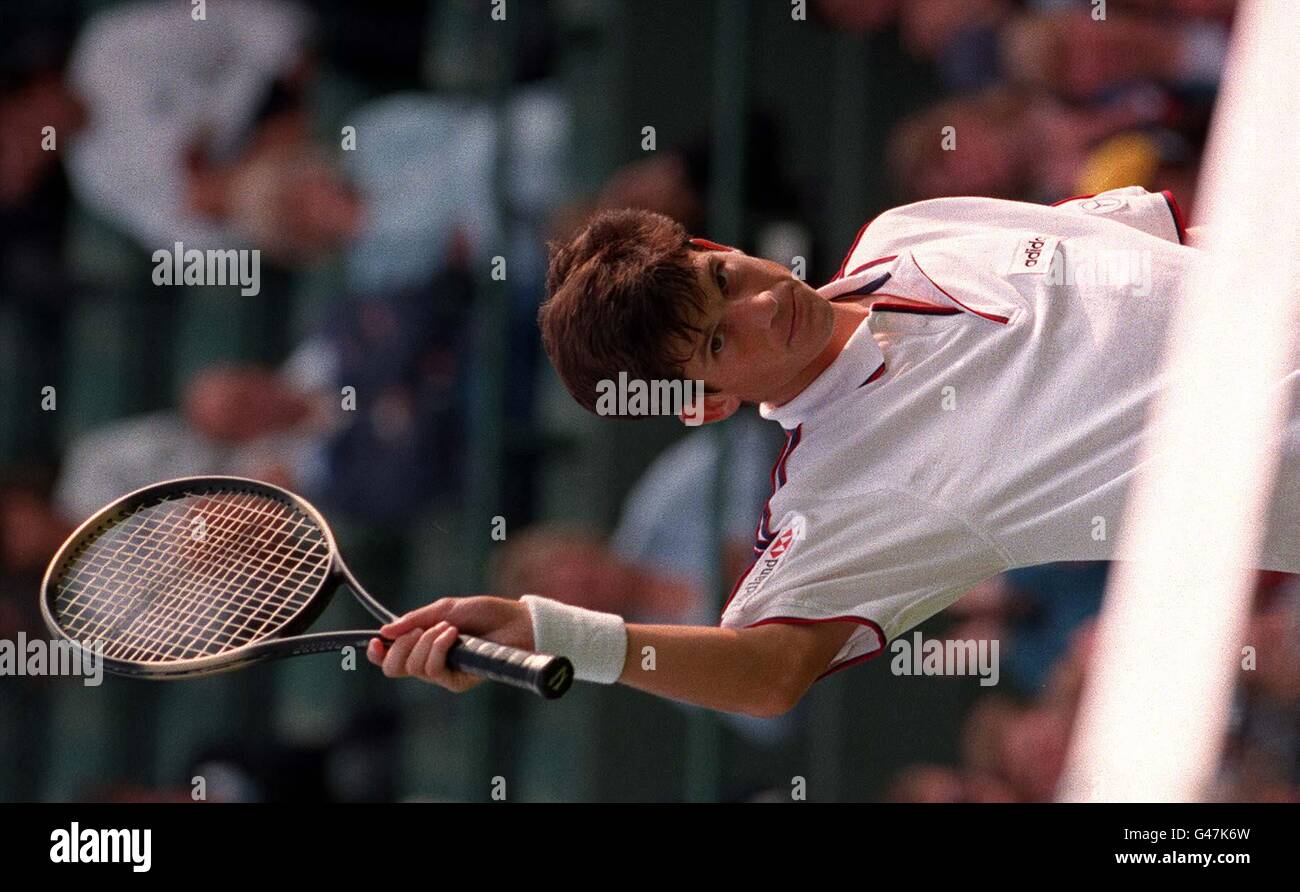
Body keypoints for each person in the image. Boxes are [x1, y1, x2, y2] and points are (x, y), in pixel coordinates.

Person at [368, 187, 1299, 717]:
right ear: (706, 405)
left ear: (720, 244)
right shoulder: (837, 504)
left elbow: (1169, 246)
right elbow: (766, 671)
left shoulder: (913, 229)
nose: (763, 305)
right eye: (720, 343)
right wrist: (560, 634)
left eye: (723, 278)